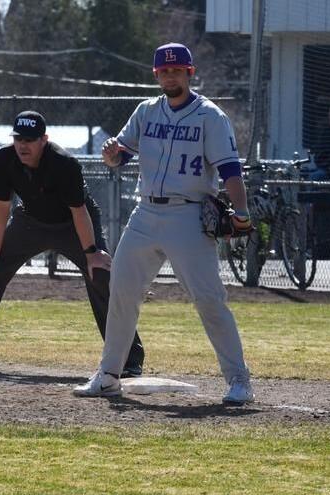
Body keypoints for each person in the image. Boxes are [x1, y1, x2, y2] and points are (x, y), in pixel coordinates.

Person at [73, 43, 254, 405]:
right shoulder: (147, 111)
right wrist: (112, 154)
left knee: (208, 299)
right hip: (145, 214)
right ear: (156, 75)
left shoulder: (210, 116)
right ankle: (109, 375)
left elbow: (230, 169)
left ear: (190, 72)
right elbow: (121, 155)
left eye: (177, 70)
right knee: (121, 292)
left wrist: (242, 213)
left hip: (187, 215)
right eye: (164, 71)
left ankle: (239, 380)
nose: (171, 75)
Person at [0, 110, 145, 375]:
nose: (23, 145)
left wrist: (92, 253)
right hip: (30, 221)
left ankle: (129, 360)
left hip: (72, 223)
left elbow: (79, 211)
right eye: (19, 139)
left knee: (101, 275)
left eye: (30, 139)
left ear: (43, 140)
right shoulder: (4, 158)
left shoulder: (63, 163)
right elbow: (1, 206)